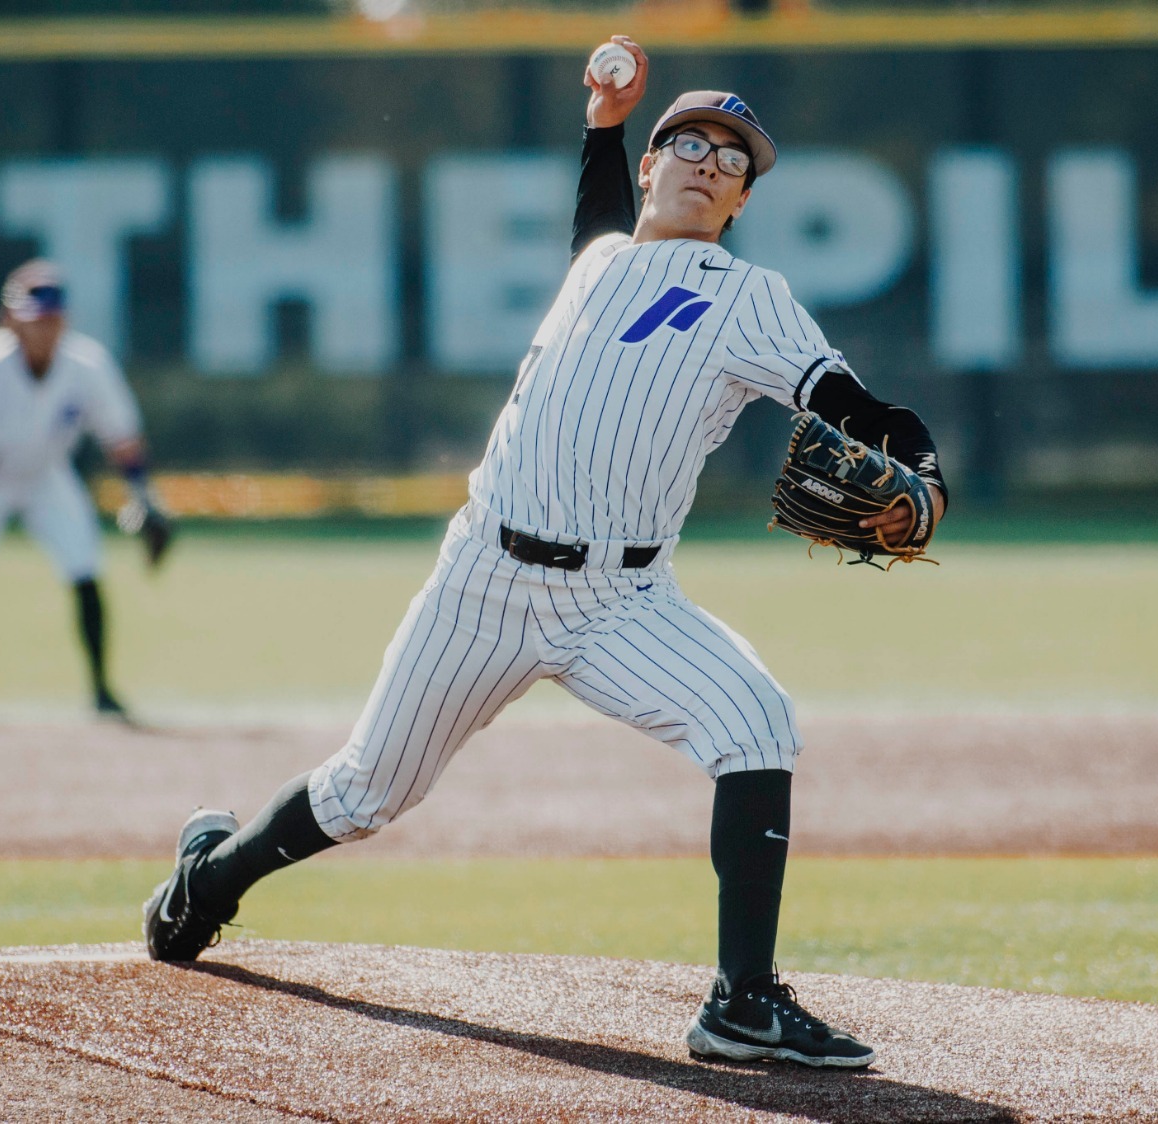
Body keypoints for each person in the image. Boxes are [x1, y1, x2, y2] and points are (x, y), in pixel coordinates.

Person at [141, 37, 947, 1069]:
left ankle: (741, 1001)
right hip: (482, 579)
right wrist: (605, 122)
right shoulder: (598, 263)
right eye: (689, 141)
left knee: (756, 720)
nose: (708, 159)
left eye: (733, 156)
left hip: (624, 599)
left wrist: (923, 474)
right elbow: (597, 223)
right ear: (653, 168)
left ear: (741, 199)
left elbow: (859, 407)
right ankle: (206, 881)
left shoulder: (750, 297)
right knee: (361, 793)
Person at [0, 259, 160, 718]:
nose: (44, 329)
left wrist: (144, 496)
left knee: (85, 569)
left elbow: (122, 438)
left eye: (52, 319)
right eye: (35, 318)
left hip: (46, 475)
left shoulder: (87, 365)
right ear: (9, 319)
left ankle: (102, 691)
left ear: (65, 321)